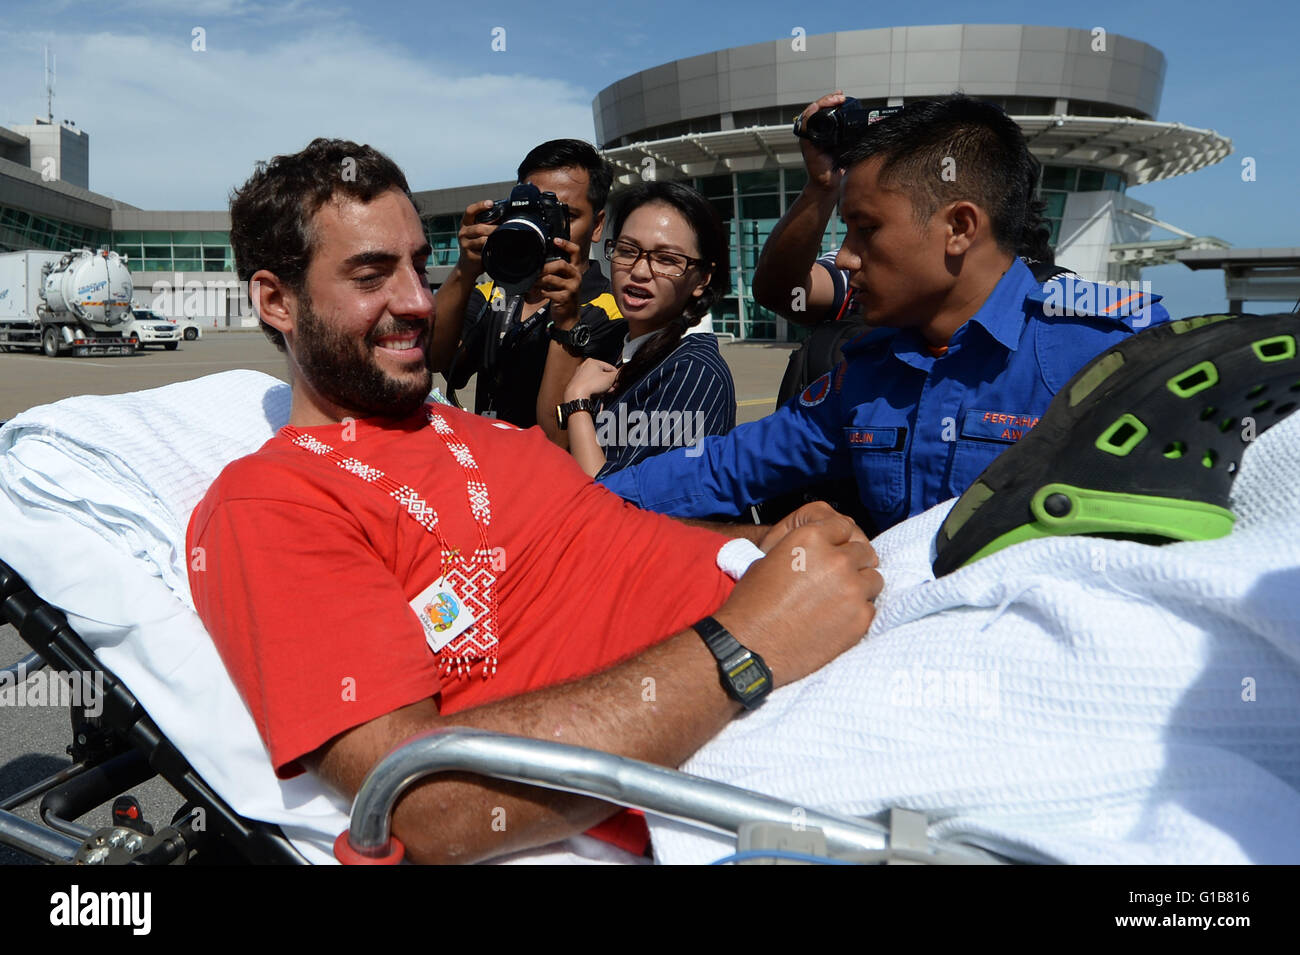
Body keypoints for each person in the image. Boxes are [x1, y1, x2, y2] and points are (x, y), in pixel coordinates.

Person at [189, 137, 883, 865]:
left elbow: (618, 537)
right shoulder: (272, 501)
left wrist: (765, 541)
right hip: (761, 736)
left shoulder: (481, 432)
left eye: (421, 266)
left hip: (810, 613)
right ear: (276, 300)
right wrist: (746, 643)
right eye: (371, 275)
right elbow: (415, 798)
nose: (418, 301)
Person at [599, 94, 1173, 532]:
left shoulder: (1110, 350)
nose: (845, 256)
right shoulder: (872, 370)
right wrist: (576, 507)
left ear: (959, 227)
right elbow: (727, 466)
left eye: (866, 228)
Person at [428, 139, 625, 439]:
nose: (546, 228)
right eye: (537, 213)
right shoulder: (495, 293)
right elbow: (437, 359)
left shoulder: (611, 312)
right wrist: (464, 269)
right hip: (490, 470)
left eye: (565, 216)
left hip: (554, 480)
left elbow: (559, 438)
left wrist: (566, 322)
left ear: (598, 226)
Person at [554, 180, 735, 478]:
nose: (639, 271)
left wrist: (577, 403)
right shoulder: (614, 343)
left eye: (666, 259)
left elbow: (620, 510)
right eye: (627, 250)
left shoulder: (692, 373)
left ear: (702, 279)